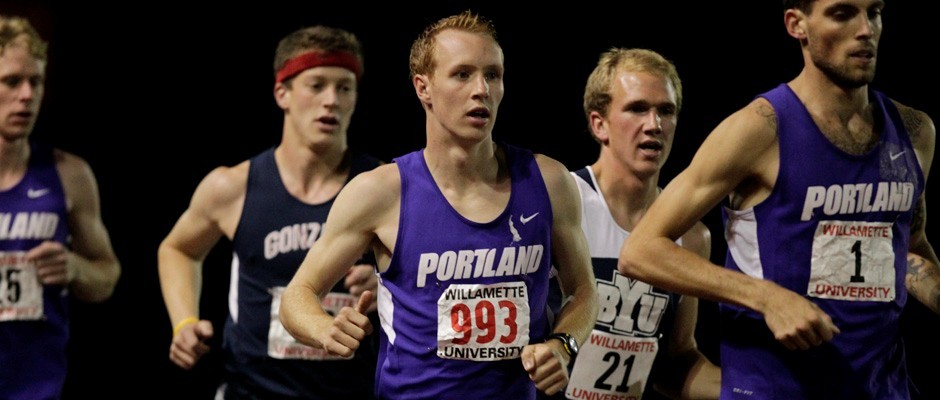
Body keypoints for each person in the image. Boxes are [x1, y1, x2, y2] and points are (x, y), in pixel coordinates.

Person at [619, 0, 939, 398]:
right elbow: (641, 250)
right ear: (796, 24)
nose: (866, 30)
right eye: (842, 14)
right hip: (777, 387)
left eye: (874, 13)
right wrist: (766, 297)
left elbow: (908, 248)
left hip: (883, 388)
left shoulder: (915, 132)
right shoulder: (758, 130)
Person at [279, 11, 598, 399]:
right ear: (423, 87)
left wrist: (564, 345)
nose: (481, 89)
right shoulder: (380, 193)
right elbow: (298, 295)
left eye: (493, 75)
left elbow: (584, 290)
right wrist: (324, 328)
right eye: (462, 74)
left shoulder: (550, 182)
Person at [157, 25, 381, 399]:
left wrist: (388, 285)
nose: (332, 101)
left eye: (344, 88)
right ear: (283, 93)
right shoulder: (233, 187)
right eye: (316, 85)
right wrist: (184, 322)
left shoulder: (384, 187)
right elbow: (178, 249)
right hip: (252, 391)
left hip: (352, 391)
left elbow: (430, 273)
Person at [545, 48, 720, 400]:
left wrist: (753, 389)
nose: (654, 125)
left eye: (666, 111)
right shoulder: (564, 203)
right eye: (638, 108)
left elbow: (676, 360)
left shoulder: (691, 235)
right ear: (599, 123)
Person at [0, 15, 121, 400]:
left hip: (40, 388)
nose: (26, 95)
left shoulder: (70, 174)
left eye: (35, 82)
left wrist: (74, 267)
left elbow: (107, 274)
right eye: (11, 81)